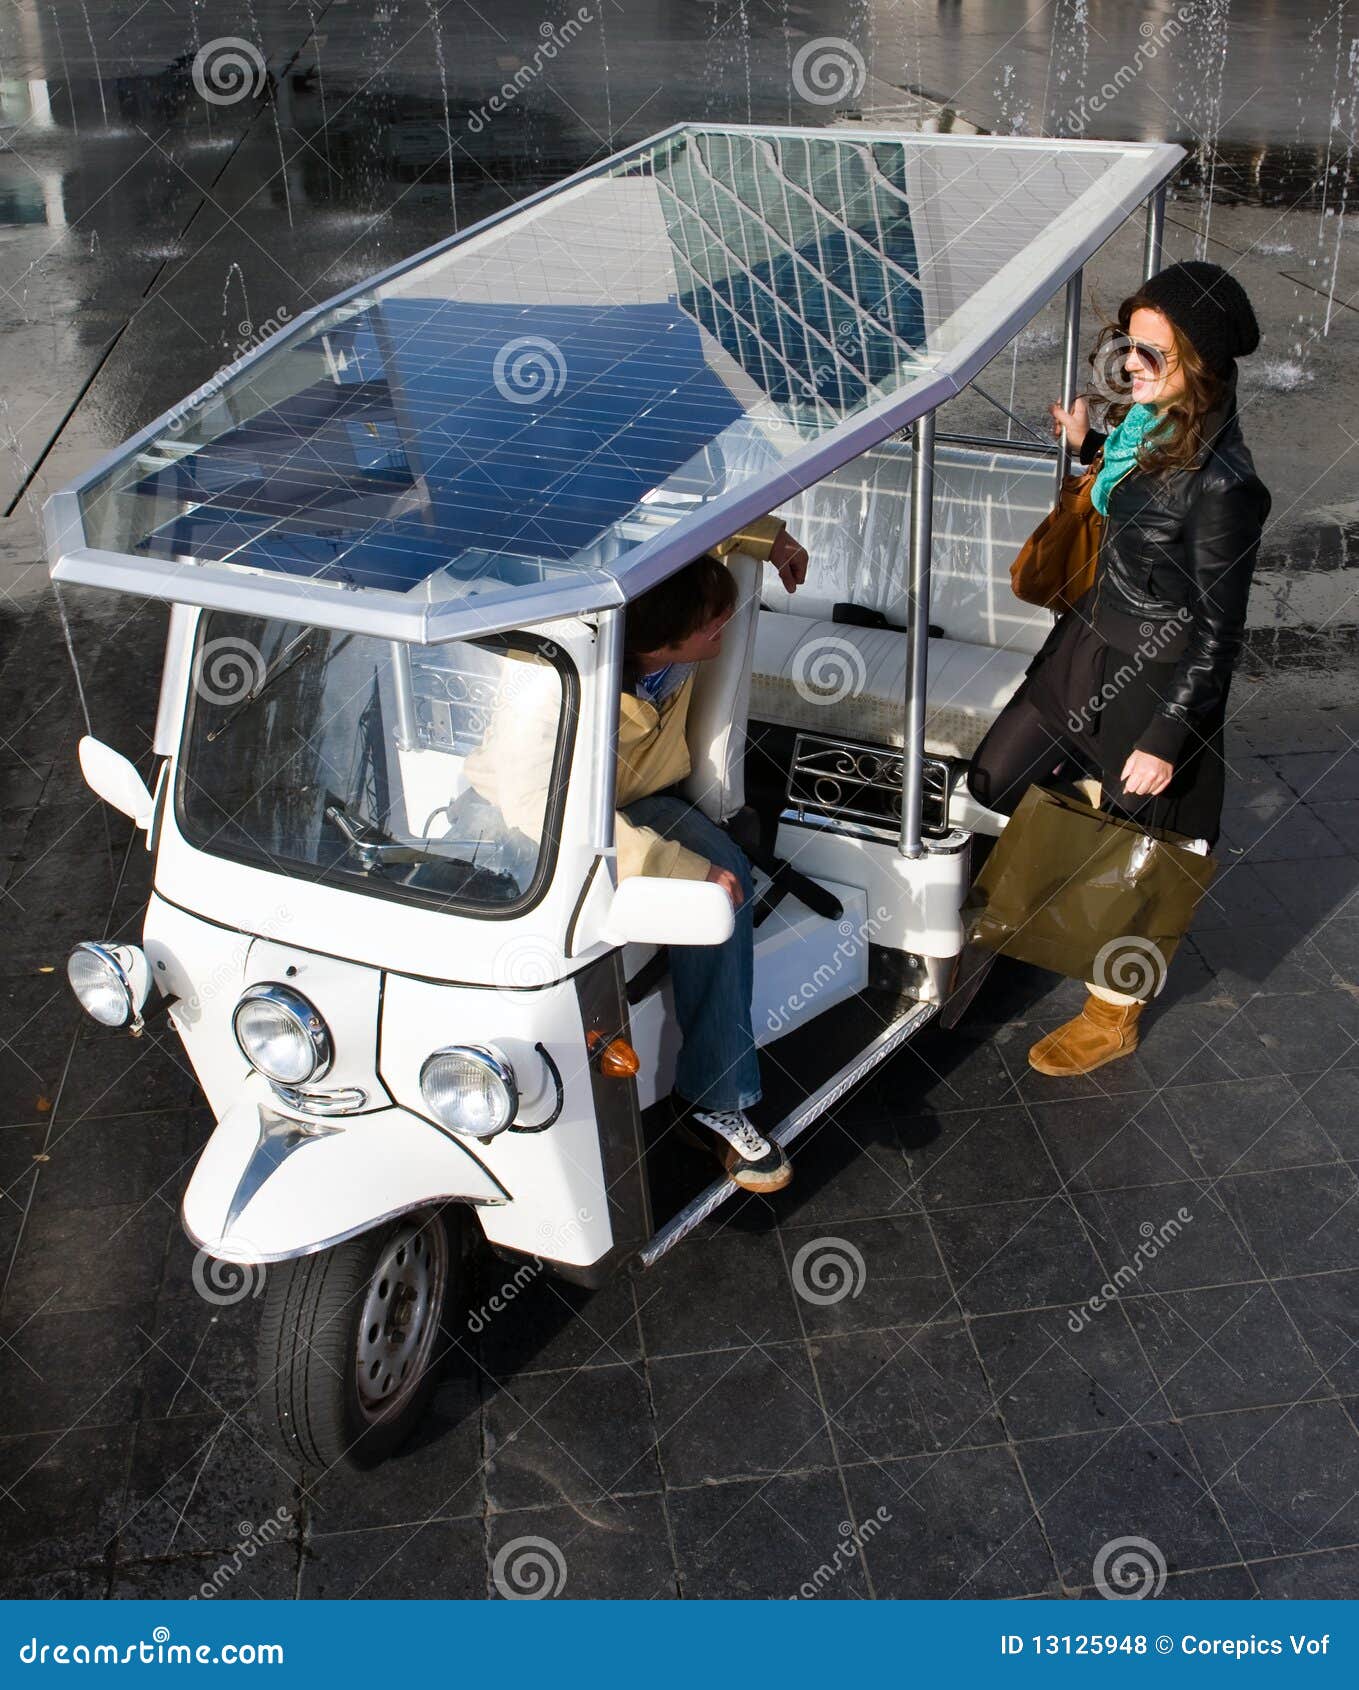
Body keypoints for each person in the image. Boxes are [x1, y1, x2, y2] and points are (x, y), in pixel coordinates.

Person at [966, 260, 1271, 1076]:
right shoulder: (1147, 436)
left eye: (1150, 353)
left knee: (1147, 856)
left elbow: (1219, 627)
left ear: (1197, 366)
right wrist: (1091, 444)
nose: (1128, 363)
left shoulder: (1225, 484)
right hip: (1086, 643)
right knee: (996, 777)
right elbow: (1141, 489)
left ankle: (1113, 1014)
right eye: (1126, 344)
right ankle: (1081, 841)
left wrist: (1168, 735)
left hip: (1154, 673)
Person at [617, 516, 808, 1192]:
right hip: (577, 820)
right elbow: (530, 814)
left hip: (653, 798)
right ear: (664, 643)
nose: (723, 636)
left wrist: (771, 540)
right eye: (713, 630)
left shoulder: (664, 626)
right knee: (710, 888)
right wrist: (680, 870)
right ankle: (721, 1101)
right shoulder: (577, 698)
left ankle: (712, 1099)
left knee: (729, 887)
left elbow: (714, 534)